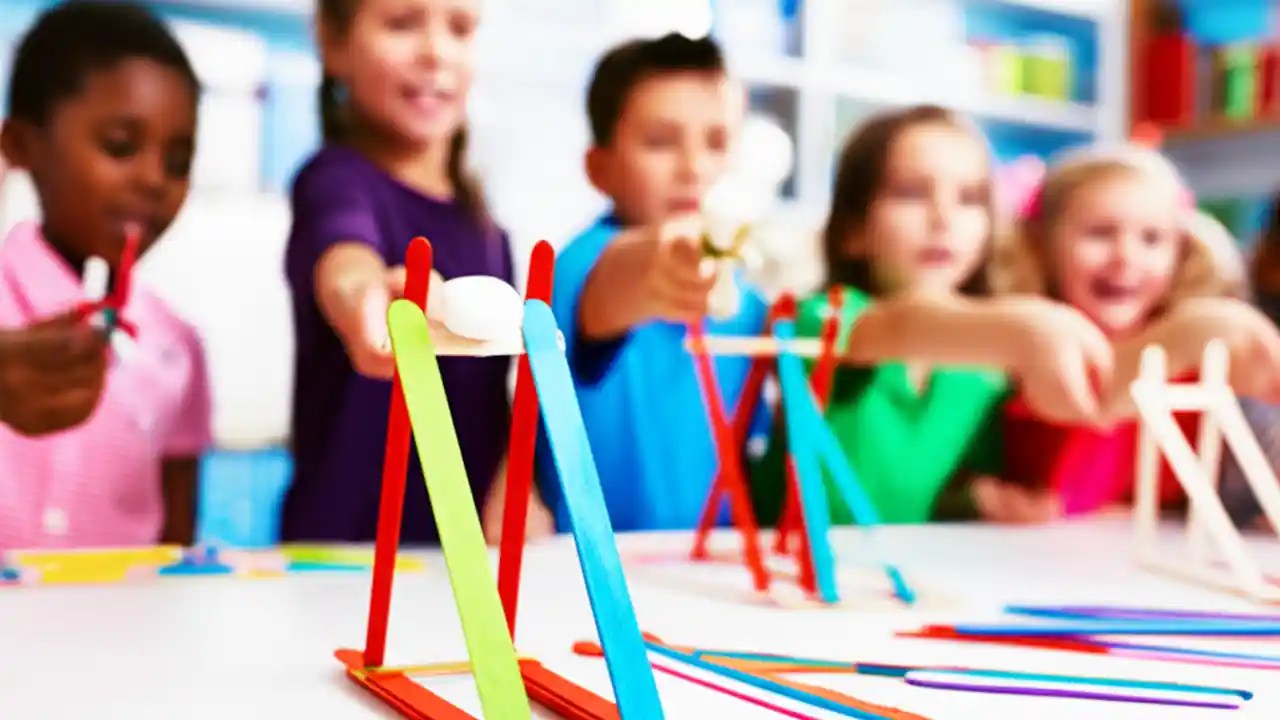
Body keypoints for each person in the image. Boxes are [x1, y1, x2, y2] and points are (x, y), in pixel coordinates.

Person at [282, 0, 552, 544]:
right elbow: (345, 262)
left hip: (459, 557)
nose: (435, 52)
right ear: (333, 42)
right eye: (402, 24)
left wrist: (517, 482)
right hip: (343, 553)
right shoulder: (336, 181)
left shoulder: (488, 231)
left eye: (460, 28)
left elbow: (486, 392)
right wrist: (368, 299)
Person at [966, 145, 1280, 521]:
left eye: (1152, 239)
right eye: (1100, 233)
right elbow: (1074, 464)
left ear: (1180, 253)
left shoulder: (1200, 372)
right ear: (1040, 243)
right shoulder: (1024, 347)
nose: (1126, 257)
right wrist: (1179, 339)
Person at [0, 1, 212, 548]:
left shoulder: (178, 350)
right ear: (21, 145)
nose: (153, 180)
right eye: (120, 146)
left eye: (178, 162)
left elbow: (176, 547)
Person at [752, 105, 1009, 525]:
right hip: (778, 556)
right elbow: (893, 328)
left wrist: (978, 499)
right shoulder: (820, 319)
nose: (943, 217)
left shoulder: (984, 374)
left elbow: (930, 492)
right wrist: (1017, 332)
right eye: (911, 193)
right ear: (852, 231)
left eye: (969, 198)